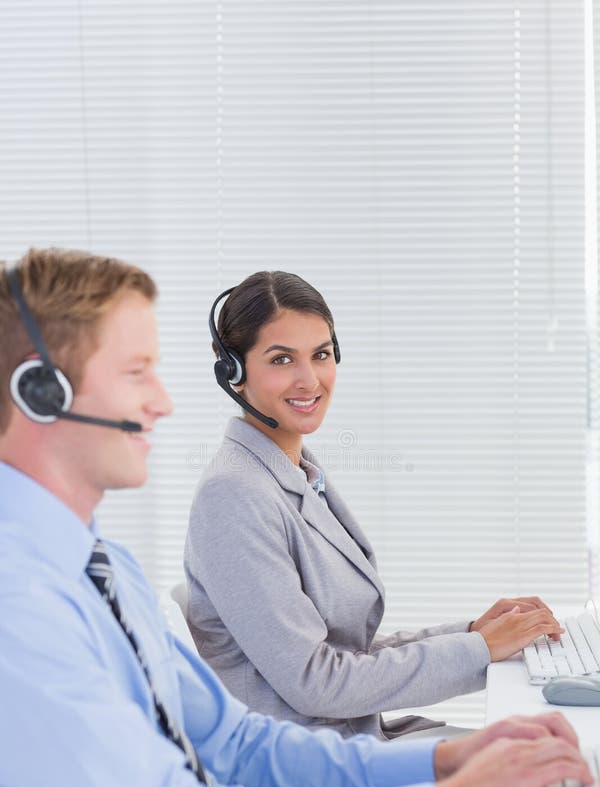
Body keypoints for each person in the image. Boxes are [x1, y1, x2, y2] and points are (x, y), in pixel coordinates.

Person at [0, 249, 591, 787]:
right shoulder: (21, 607)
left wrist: (444, 761)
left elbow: (237, 745)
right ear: (40, 393)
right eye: (137, 372)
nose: (164, 402)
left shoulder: (104, 566)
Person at [185, 271, 562, 739]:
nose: (309, 380)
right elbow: (315, 681)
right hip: (307, 766)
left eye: (321, 355)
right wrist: (480, 650)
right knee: (543, 759)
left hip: (350, 738)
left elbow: (347, 652)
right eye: (281, 359)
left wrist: (472, 632)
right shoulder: (235, 494)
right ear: (233, 373)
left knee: (544, 745)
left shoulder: (294, 473)